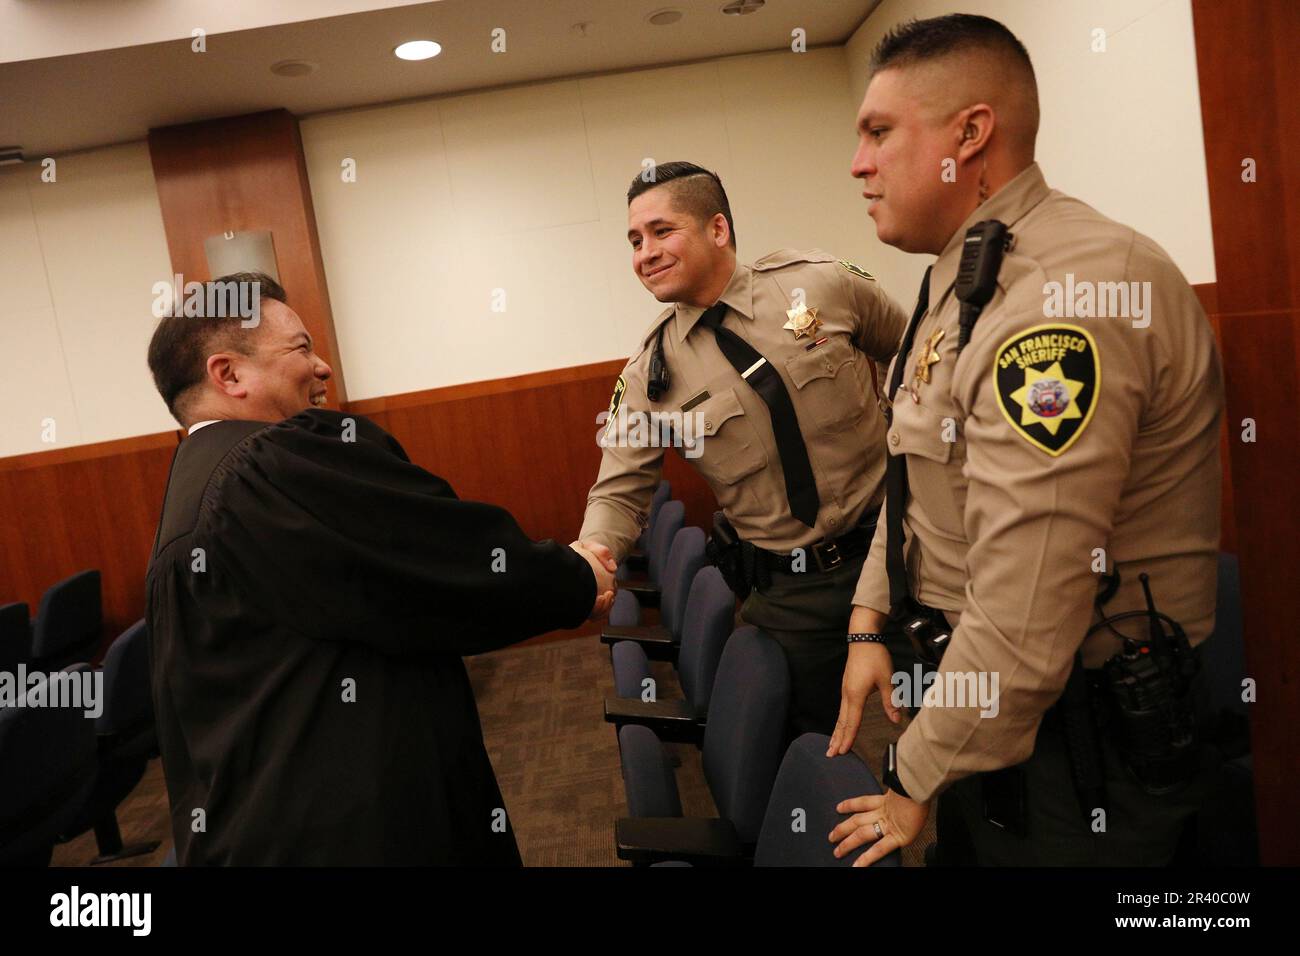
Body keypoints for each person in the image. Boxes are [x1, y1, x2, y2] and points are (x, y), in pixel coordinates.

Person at [827, 15, 1223, 865]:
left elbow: (1029, 606)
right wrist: (870, 624)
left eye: (879, 133)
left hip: (1080, 754)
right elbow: (914, 487)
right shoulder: (964, 276)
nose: (858, 164)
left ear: (970, 135)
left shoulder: (1059, 297)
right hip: (991, 712)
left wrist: (911, 775)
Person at [144, 272, 616, 865]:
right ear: (228, 374)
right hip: (349, 825)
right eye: (301, 348)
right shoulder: (266, 467)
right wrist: (574, 576)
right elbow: (435, 564)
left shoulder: (193, 487)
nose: (322, 367)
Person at [578, 162, 908, 737]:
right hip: (793, 591)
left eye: (661, 231)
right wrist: (591, 555)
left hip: (902, 549)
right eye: (634, 241)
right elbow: (619, 492)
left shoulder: (822, 284)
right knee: (809, 749)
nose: (645, 253)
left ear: (718, 229)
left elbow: (913, 362)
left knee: (954, 714)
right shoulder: (647, 378)